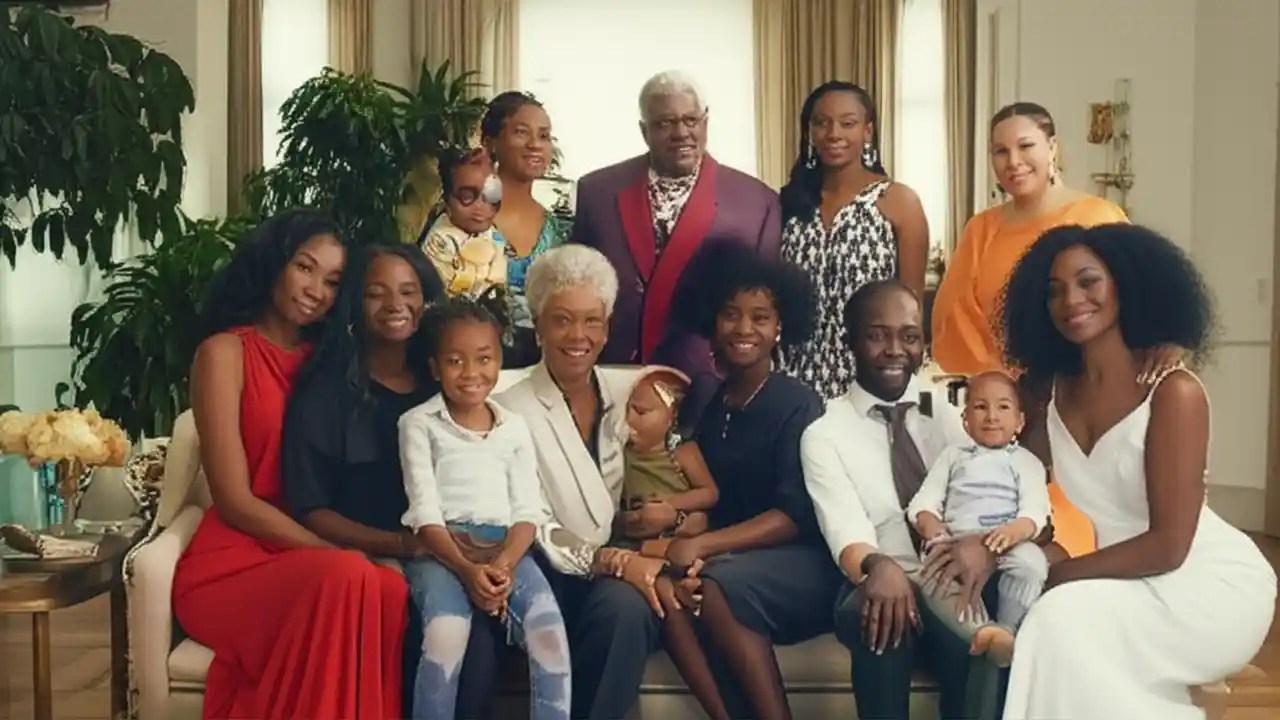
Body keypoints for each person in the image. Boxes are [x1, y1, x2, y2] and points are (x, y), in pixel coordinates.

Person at [996, 223, 1276, 719]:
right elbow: (1012, 485)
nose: (1071, 301)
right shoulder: (1047, 392)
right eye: (1054, 291)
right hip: (1121, 579)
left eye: (1089, 282)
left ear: (1126, 283)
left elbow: (1169, 546)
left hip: (1204, 585)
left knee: (1054, 620)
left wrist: (1056, 575)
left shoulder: (1174, 392)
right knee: (1059, 630)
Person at [172, 209, 407, 718]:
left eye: (332, 281)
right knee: (350, 578)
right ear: (275, 262)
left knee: (387, 587)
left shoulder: (333, 361)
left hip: (315, 553)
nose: (315, 290)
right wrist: (333, 550)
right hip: (235, 558)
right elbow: (234, 502)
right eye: (305, 267)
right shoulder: (224, 354)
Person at [281, 244, 503, 718]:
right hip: (368, 559)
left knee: (480, 646)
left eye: (408, 291)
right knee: (428, 634)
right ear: (354, 305)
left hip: (445, 553)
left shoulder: (447, 383)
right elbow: (310, 508)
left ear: (426, 300)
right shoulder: (326, 391)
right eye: (375, 293)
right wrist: (401, 547)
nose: (394, 305)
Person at [642, 244, 835, 720]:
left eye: (761, 317)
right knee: (664, 590)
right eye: (730, 314)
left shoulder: (797, 402)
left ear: (780, 327)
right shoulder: (709, 397)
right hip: (729, 556)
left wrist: (704, 547)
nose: (744, 329)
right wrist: (679, 528)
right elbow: (702, 486)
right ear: (712, 319)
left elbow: (795, 515)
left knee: (721, 584)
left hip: (800, 563)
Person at [802, 279, 1004, 720]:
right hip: (878, 571)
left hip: (949, 572)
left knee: (979, 630)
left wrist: (979, 548)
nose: (895, 349)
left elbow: (985, 485)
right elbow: (845, 529)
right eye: (877, 335)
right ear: (850, 341)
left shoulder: (942, 410)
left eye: (909, 336)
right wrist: (882, 566)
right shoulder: (826, 432)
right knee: (880, 612)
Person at [496, 244, 670, 720]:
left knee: (625, 607)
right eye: (563, 320)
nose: (579, 335)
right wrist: (613, 561)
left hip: (625, 569)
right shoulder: (511, 410)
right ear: (538, 323)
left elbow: (668, 467)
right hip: (551, 573)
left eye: (592, 321)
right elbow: (532, 518)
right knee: (623, 603)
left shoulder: (630, 394)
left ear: (608, 326)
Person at [399, 295, 570, 720]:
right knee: (446, 633)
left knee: (550, 635)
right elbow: (424, 513)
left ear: (499, 360)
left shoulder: (513, 426)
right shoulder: (418, 424)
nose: (472, 374)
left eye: (484, 359)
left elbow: (527, 510)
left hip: (507, 551)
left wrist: (506, 565)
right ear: (435, 368)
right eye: (456, 361)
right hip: (441, 551)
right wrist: (465, 568)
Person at [571, 70, 782, 379]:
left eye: (690, 120)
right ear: (644, 131)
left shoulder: (756, 202)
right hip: (613, 371)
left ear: (705, 123)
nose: (681, 132)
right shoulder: (598, 191)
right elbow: (580, 286)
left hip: (711, 378)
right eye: (665, 123)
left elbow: (765, 305)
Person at [931, 102, 1128, 377]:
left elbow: (1133, 303)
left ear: (1052, 147)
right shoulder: (981, 228)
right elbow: (952, 318)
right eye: (1001, 151)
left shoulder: (1097, 216)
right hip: (997, 399)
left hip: (1081, 384)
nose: (1013, 162)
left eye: (1025, 146)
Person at [780, 81, 929, 399]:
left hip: (867, 381)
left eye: (848, 123)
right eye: (821, 123)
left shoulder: (897, 200)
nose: (834, 134)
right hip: (793, 379)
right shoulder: (789, 204)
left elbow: (911, 310)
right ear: (809, 132)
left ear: (868, 131)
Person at [905, 370, 1050, 668]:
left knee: (1032, 564)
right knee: (931, 578)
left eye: (1003, 407)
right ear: (965, 420)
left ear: (1020, 422)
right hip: (955, 540)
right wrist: (934, 532)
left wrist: (1015, 531)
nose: (992, 416)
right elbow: (923, 503)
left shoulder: (1025, 462)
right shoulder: (953, 456)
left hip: (1007, 540)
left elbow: (1036, 511)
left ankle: (1008, 629)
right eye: (981, 407)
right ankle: (982, 630)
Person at [483, 91, 571, 367]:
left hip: (544, 370)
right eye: (522, 133)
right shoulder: (462, 220)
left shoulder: (560, 229)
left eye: (544, 136)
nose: (535, 145)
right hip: (476, 369)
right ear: (491, 143)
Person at [616, 365, 718, 557]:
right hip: (635, 538)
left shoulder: (682, 452)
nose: (629, 419)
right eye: (627, 409)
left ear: (671, 418)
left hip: (678, 534)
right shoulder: (621, 452)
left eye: (641, 412)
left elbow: (710, 493)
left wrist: (670, 505)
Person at [422, 147, 508, 300]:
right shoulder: (441, 241)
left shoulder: (495, 236)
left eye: (490, 197)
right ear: (447, 201)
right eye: (467, 197)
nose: (480, 207)